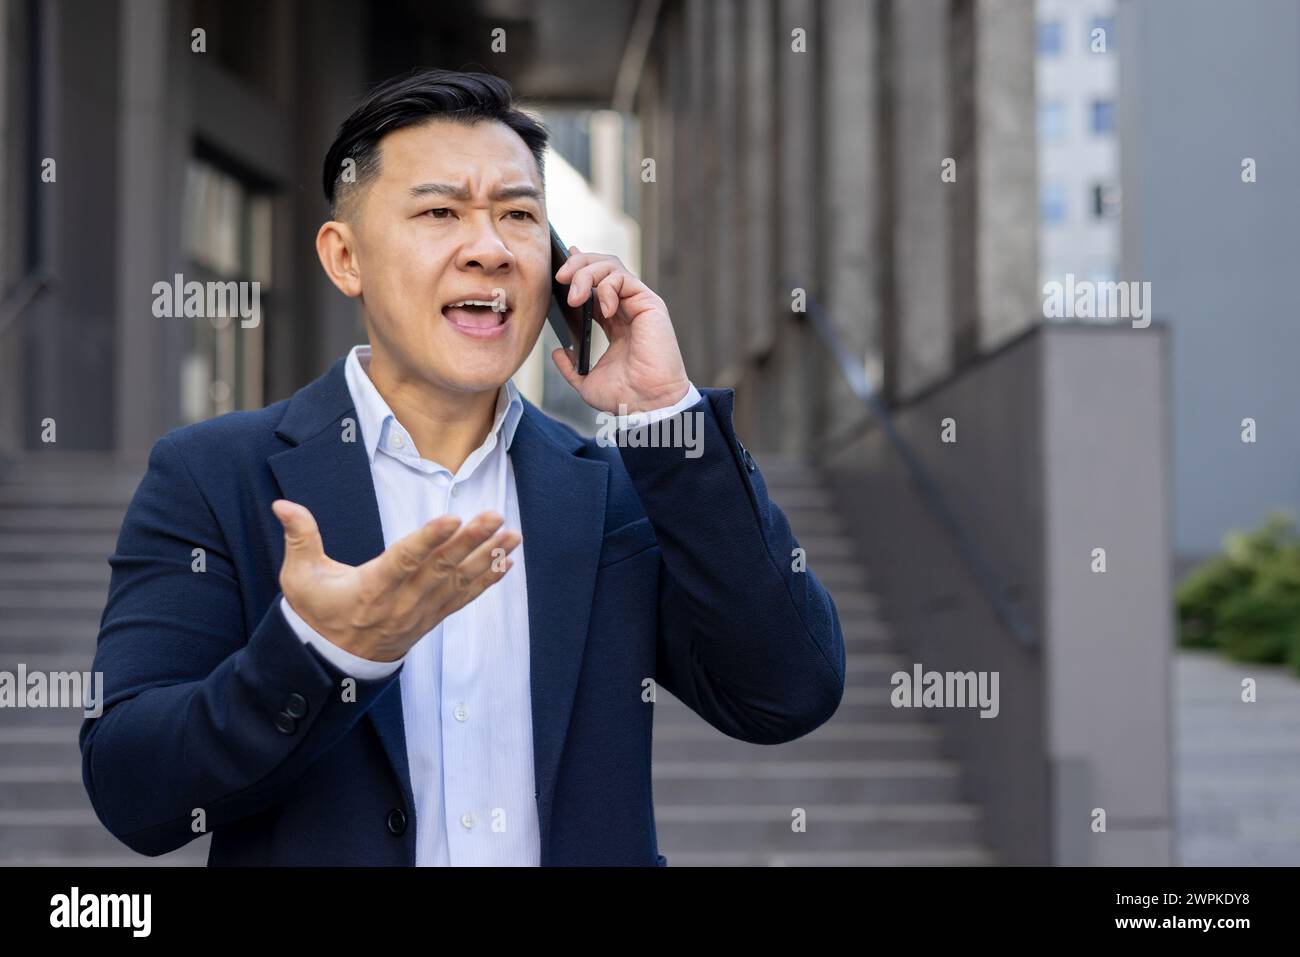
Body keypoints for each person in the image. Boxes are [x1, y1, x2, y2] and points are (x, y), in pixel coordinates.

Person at [80, 68, 845, 866]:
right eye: (440, 211)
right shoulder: (215, 475)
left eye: (518, 214)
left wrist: (664, 412)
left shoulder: (614, 493)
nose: (488, 248)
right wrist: (322, 649)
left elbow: (786, 691)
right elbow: (135, 789)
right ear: (347, 259)